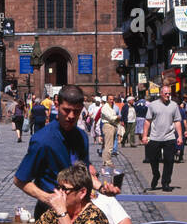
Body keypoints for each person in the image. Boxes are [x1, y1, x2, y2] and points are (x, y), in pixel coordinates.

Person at [14, 83, 118, 216]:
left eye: (76, 111)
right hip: (50, 213)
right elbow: (20, 180)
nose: (71, 116)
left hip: (77, 212)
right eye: (66, 110)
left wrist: (102, 188)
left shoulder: (81, 137)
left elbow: (83, 174)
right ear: (57, 106)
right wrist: (48, 198)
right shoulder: (42, 140)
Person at [141, 84, 183, 191]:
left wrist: (180, 136)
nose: (168, 95)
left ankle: (166, 183)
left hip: (169, 136)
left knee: (169, 161)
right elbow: (147, 121)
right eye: (166, 93)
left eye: (169, 93)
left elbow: (177, 121)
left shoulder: (174, 105)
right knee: (153, 159)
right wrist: (145, 135)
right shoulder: (153, 105)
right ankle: (156, 174)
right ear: (160, 94)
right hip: (155, 137)